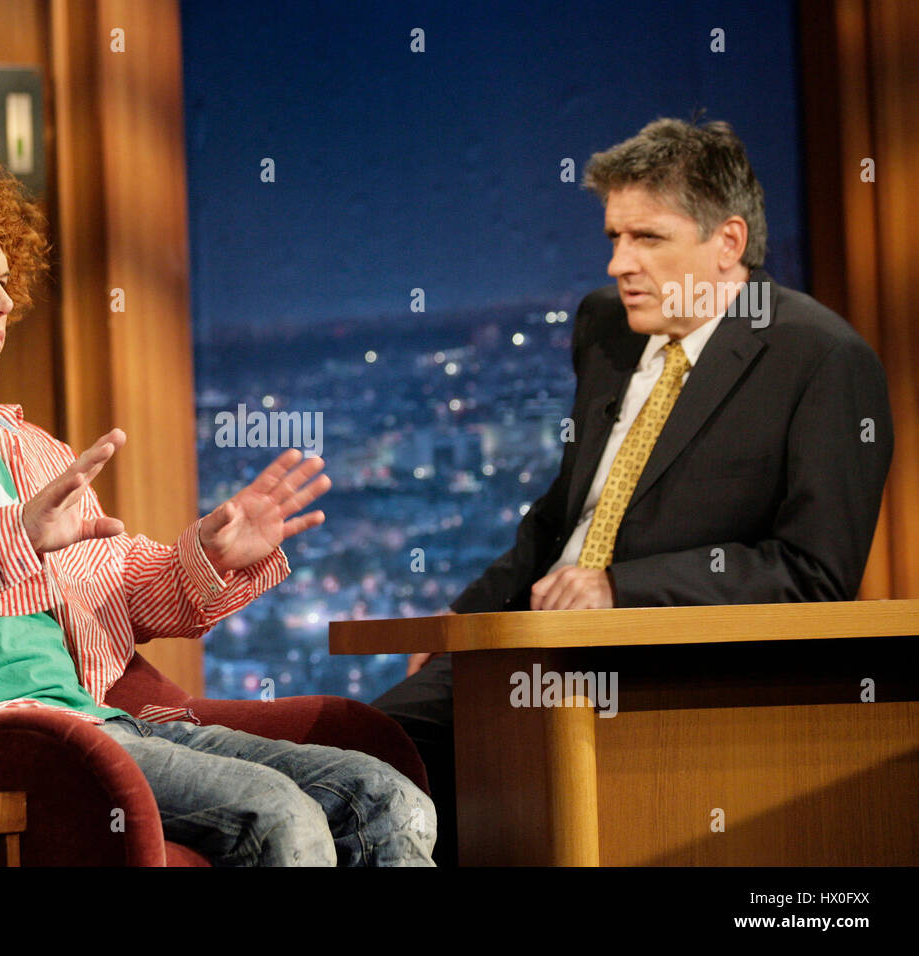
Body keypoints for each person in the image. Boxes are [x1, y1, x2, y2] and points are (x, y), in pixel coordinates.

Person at [0, 131, 435, 866]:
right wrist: (7, 538)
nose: (3, 301)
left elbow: (117, 595)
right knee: (278, 817)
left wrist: (205, 555)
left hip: (100, 723)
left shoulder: (29, 449)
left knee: (388, 800)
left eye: (6, 279)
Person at [372, 117, 893, 866]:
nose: (619, 264)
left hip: (666, 666)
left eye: (647, 238)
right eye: (614, 237)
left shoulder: (821, 360)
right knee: (360, 752)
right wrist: (463, 616)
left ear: (728, 243)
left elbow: (814, 574)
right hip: (531, 645)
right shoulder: (606, 329)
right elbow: (564, 514)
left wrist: (621, 589)